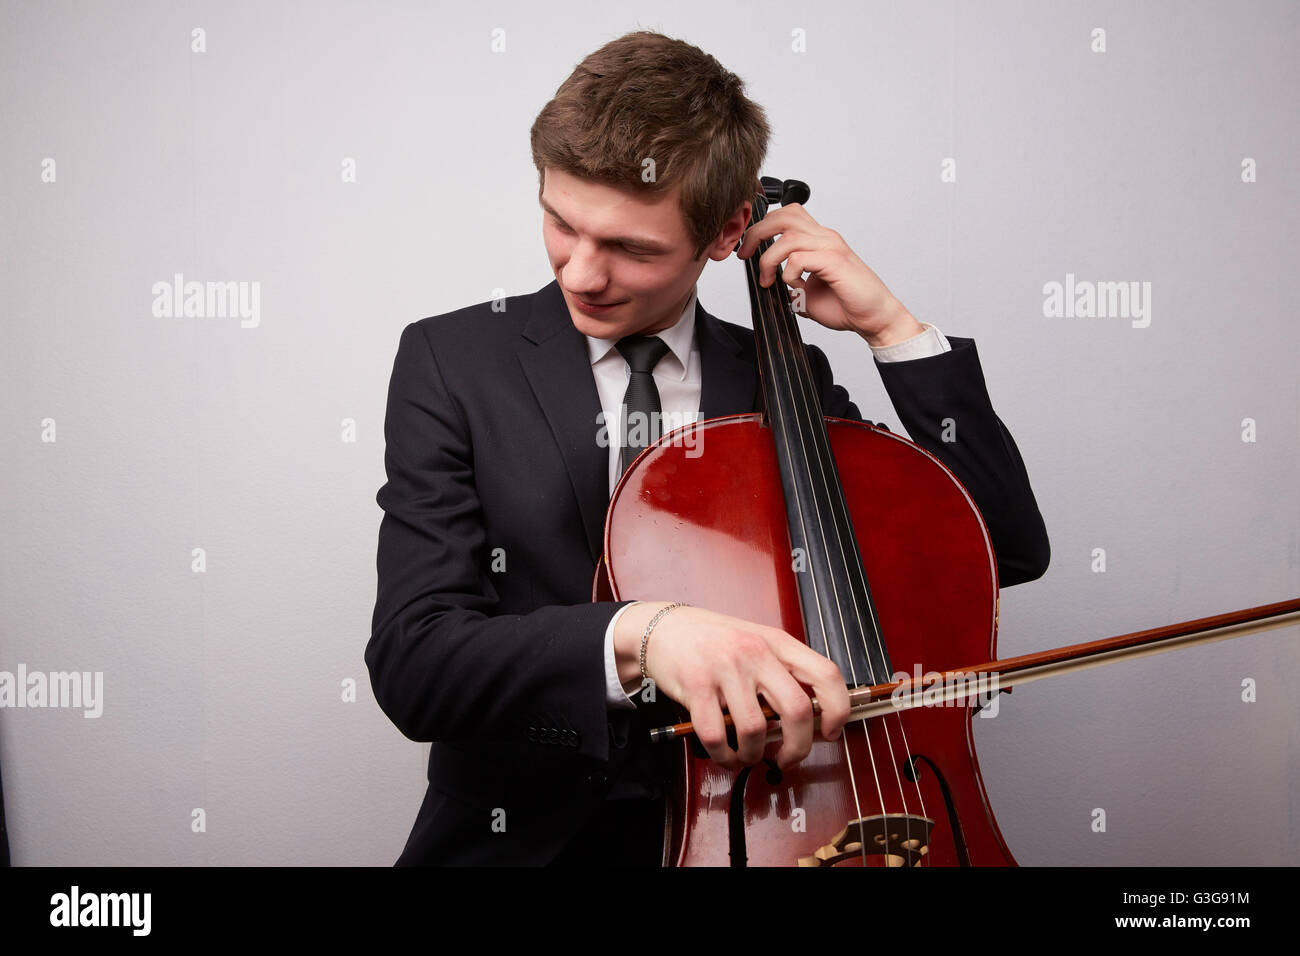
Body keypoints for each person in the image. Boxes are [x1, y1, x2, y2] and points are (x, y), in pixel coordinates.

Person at [366, 30, 1049, 866]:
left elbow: (995, 551)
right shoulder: (452, 361)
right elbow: (415, 663)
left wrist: (893, 332)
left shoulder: (782, 376)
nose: (580, 272)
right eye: (560, 221)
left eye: (630, 248)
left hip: (777, 834)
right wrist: (642, 633)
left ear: (727, 232)